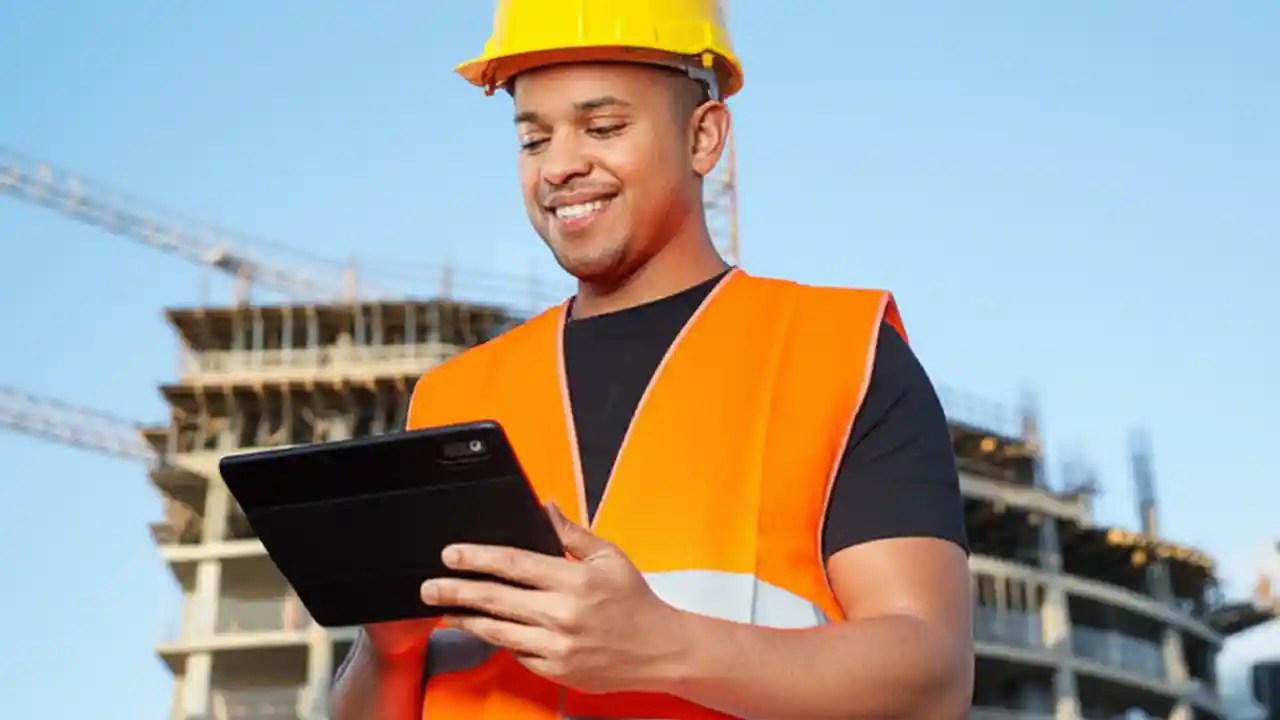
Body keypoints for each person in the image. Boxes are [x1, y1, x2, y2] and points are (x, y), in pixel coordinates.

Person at [330, 1, 974, 718]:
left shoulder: (840, 353)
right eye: (533, 139)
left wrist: (659, 645)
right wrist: (386, 648)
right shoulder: (452, 399)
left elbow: (932, 677)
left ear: (703, 138)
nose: (561, 166)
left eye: (602, 128)